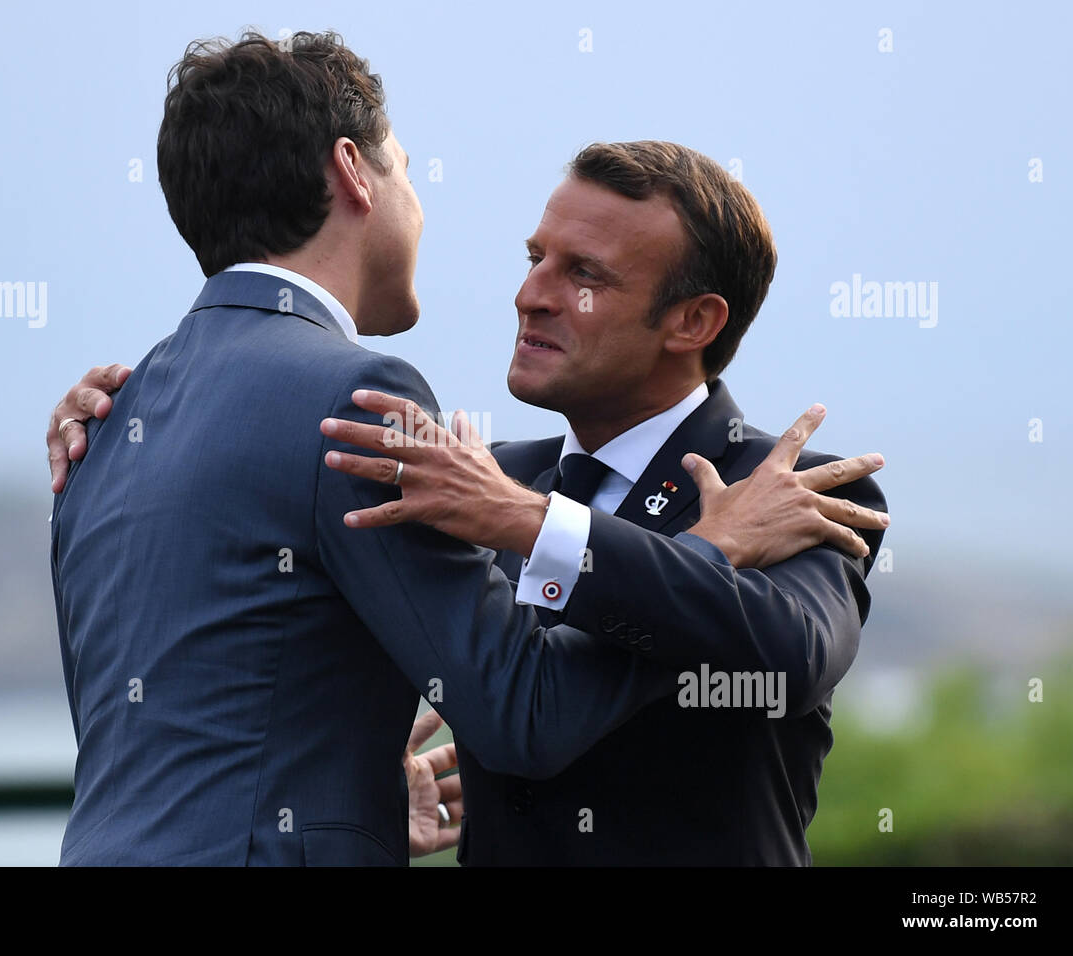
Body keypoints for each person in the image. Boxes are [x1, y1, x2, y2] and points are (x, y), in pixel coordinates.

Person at [47, 31, 885, 866]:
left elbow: (790, 652)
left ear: (694, 321)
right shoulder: (467, 477)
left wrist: (538, 526)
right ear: (352, 171)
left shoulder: (790, 488)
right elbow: (505, 701)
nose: (529, 295)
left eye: (583, 275)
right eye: (533, 259)